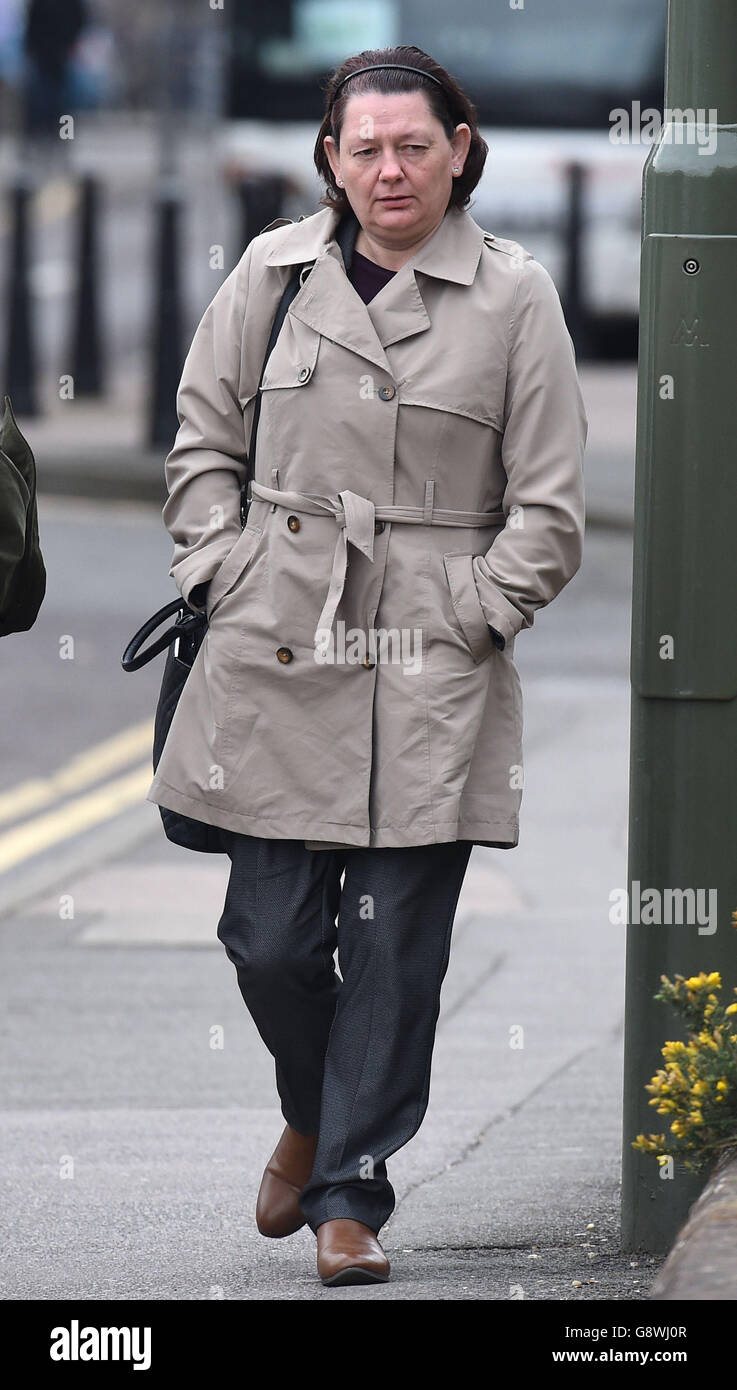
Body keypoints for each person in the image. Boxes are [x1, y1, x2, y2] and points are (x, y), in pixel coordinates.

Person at [147, 44, 587, 1287]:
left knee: (396, 946)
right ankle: (316, 1106)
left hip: (427, 662)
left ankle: (351, 1190)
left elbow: (547, 514)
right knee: (271, 941)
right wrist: (219, 572)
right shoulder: (271, 272)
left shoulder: (516, 297)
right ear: (330, 160)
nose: (387, 169)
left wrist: (470, 614)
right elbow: (200, 446)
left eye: (411, 145)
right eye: (362, 148)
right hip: (272, 643)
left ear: (459, 147)